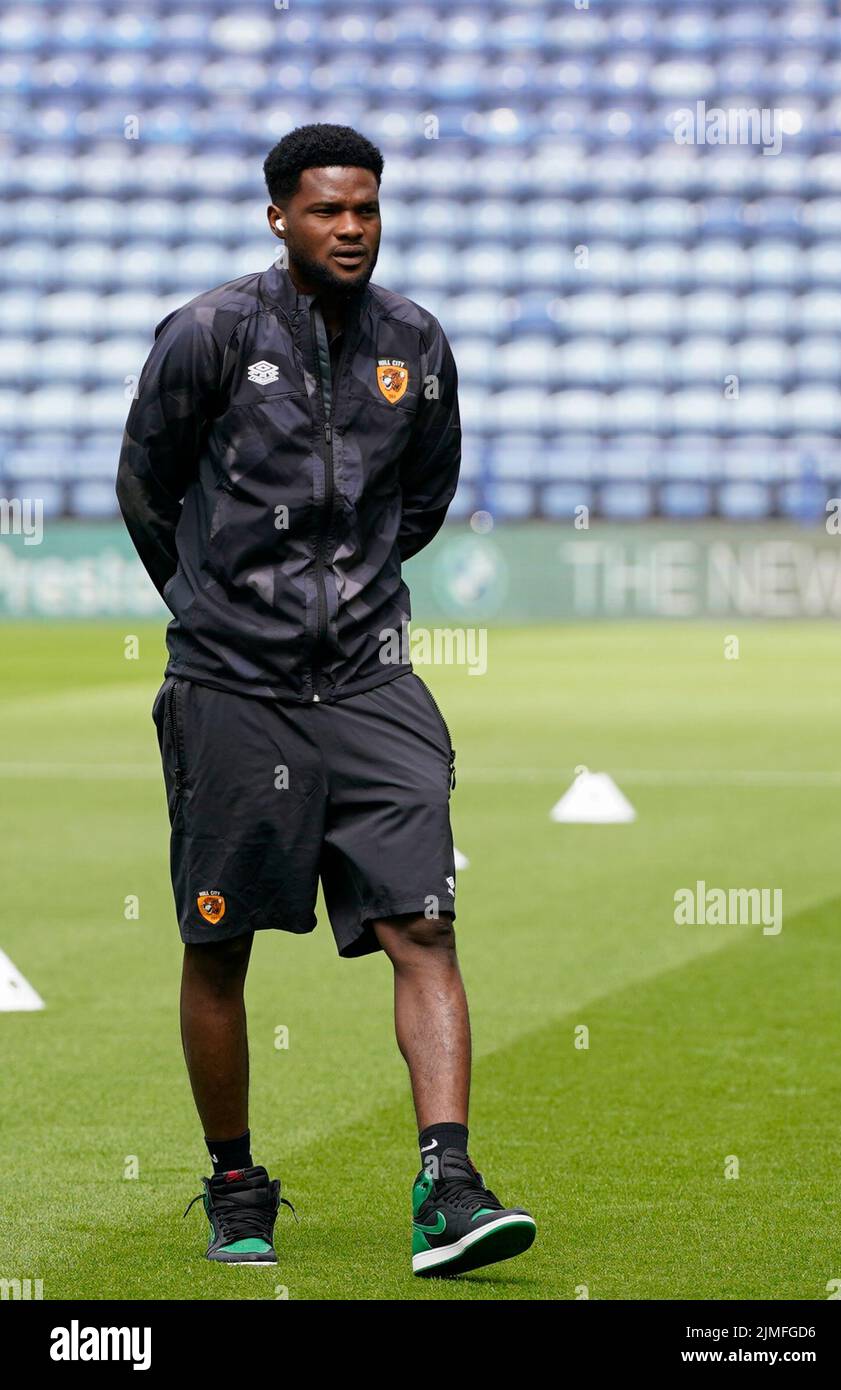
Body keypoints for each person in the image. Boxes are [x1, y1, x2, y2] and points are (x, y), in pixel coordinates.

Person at [116, 122, 536, 1278]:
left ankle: (447, 1184)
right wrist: (222, 608)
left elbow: (424, 491)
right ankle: (236, 1183)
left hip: (370, 682)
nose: (349, 228)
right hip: (231, 688)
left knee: (424, 924)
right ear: (278, 218)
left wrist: (344, 600)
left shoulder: (414, 341)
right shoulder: (208, 333)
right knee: (221, 942)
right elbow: (146, 486)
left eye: (364, 209)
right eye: (324, 211)